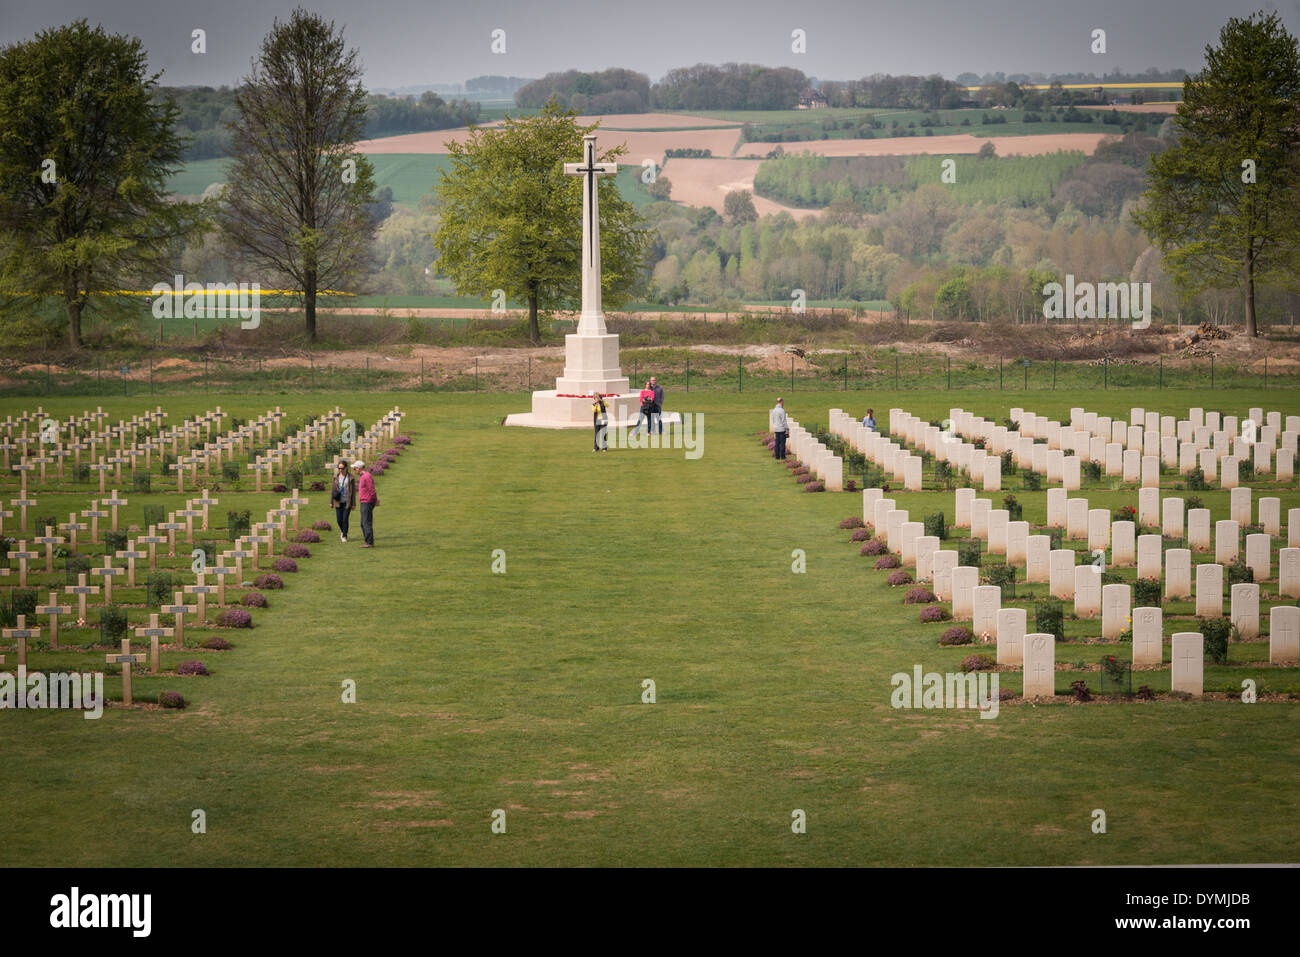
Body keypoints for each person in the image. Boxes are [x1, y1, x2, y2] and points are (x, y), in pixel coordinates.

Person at [329, 459, 356, 542]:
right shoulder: (335, 477)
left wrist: (354, 503)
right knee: (339, 520)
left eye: (342, 468)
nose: (340, 470)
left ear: (346, 468)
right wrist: (331, 502)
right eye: (339, 468)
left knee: (345, 519)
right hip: (338, 501)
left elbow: (353, 492)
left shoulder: (351, 478)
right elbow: (333, 490)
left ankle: (344, 535)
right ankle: (343, 531)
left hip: (347, 502)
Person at [355, 459, 378, 548]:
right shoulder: (363, 476)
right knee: (363, 523)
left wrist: (375, 500)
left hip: (367, 502)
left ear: (359, 468)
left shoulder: (366, 476)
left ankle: (369, 543)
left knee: (366, 522)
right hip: (364, 502)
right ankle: (367, 541)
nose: (354, 470)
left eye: (355, 468)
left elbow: (371, 489)